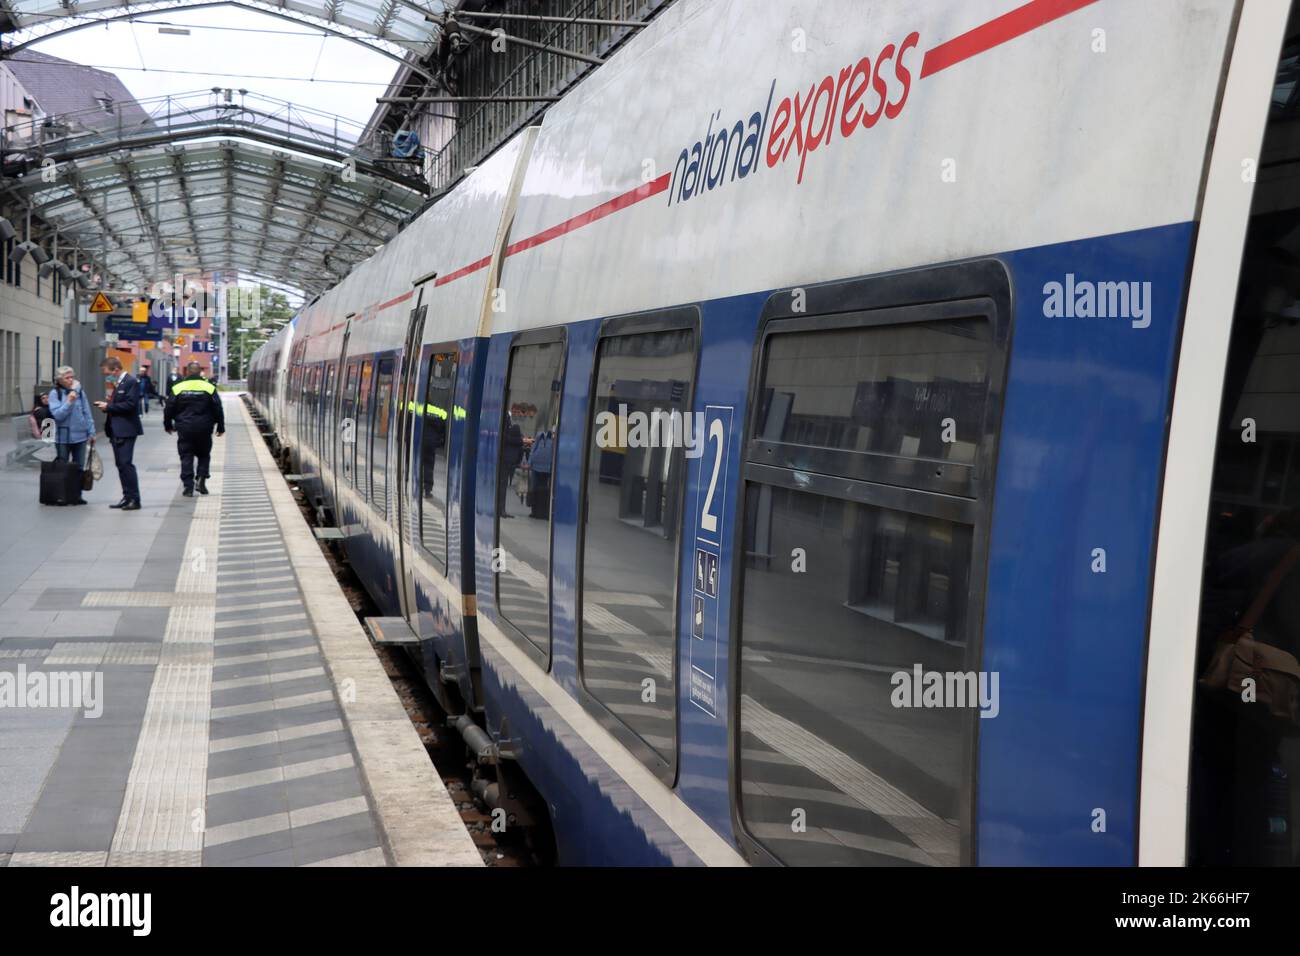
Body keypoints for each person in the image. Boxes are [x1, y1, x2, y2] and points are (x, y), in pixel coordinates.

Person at [164, 360, 224, 497]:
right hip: (204, 427)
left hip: (184, 428)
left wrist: (168, 425)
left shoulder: (178, 387)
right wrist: (220, 426)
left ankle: (188, 486)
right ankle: (201, 479)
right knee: (204, 454)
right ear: (200, 372)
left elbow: (169, 408)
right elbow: (217, 408)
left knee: (186, 455)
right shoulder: (208, 387)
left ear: (187, 372)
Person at [94, 356, 143, 510]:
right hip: (117, 429)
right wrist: (108, 404)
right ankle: (127, 496)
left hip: (126, 429)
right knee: (120, 464)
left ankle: (134, 499)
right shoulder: (120, 383)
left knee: (126, 464)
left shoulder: (130, 382)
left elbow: (130, 404)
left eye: (107, 372)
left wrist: (108, 407)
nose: (106, 375)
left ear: (115, 369)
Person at [48, 366, 94, 506]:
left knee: (79, 466)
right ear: (59, 380)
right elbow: (58, 415)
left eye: (71, 377)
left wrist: (91, 431)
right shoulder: (54, 393)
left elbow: (87, 412)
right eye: (67, 378)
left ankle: (76, 495)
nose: (71, 380)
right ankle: (61, 494)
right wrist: (69, 401)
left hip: (80, 435)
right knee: (62, 465)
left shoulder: (80, 392)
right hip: (63, 436)